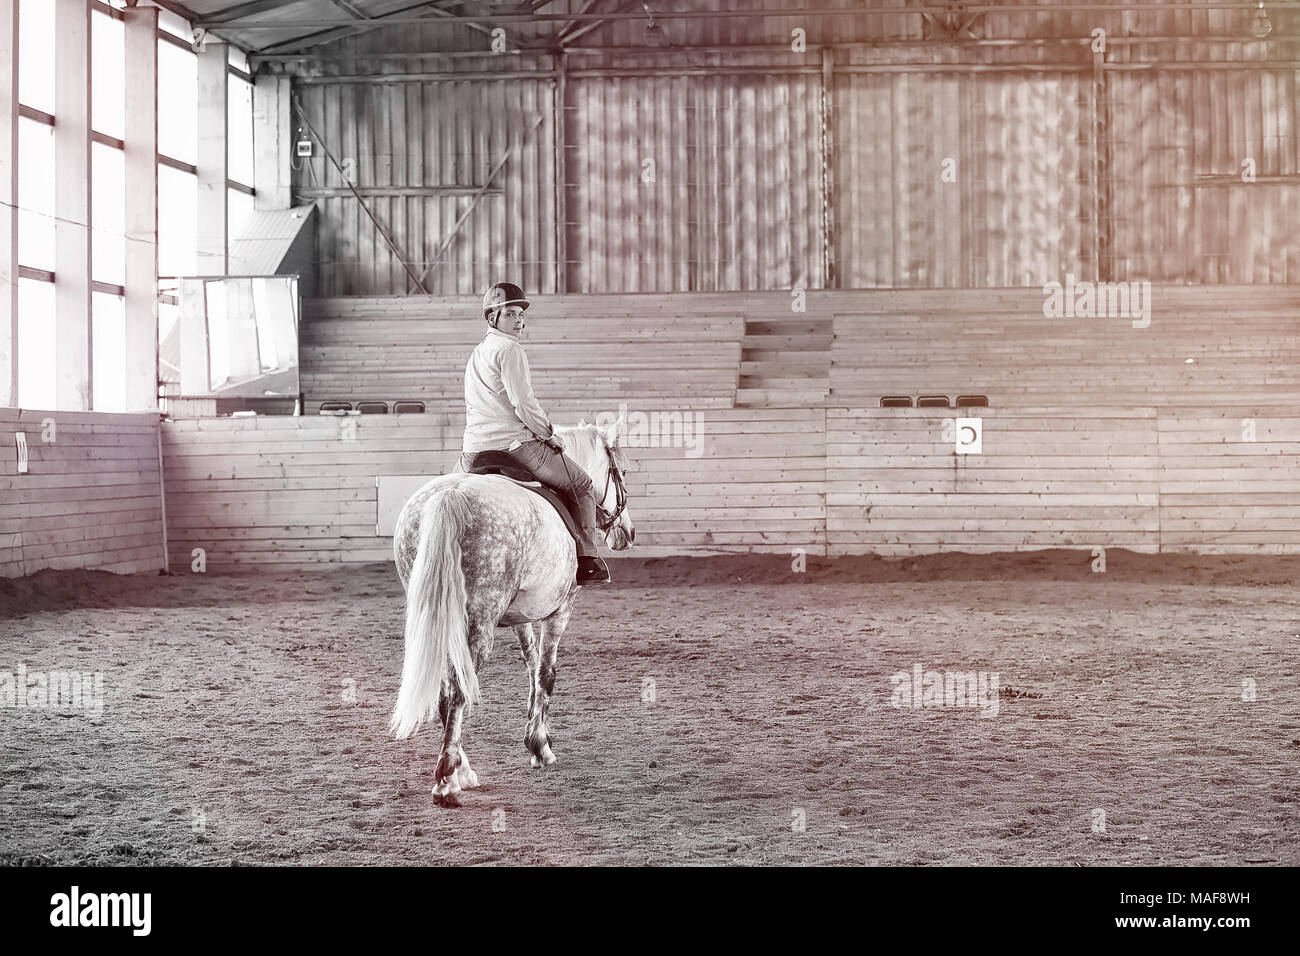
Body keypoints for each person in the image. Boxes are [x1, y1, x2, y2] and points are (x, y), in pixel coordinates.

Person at [459, 282, 611, 586]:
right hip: (514, 446)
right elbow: (523, 403)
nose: (519, 321)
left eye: (520, 315)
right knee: (582, 484)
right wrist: (548, 433)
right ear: (492, 318)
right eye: (511, 314)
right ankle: (587, 560)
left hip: (472, 451)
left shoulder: (477, 353)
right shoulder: (510, 349)